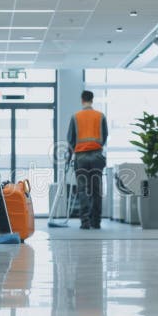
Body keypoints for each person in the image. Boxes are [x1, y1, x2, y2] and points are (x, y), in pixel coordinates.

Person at [67, 90, 108, 230]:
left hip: (81, 157)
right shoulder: (100, 116)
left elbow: (70, 139)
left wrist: (72, 153)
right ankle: (96, 222)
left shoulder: (76, 117)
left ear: (82, 100)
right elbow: (105, 136)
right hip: (97, 156)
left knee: (83, 190)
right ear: (92, 99)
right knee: (96, 190)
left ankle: (85, 222)